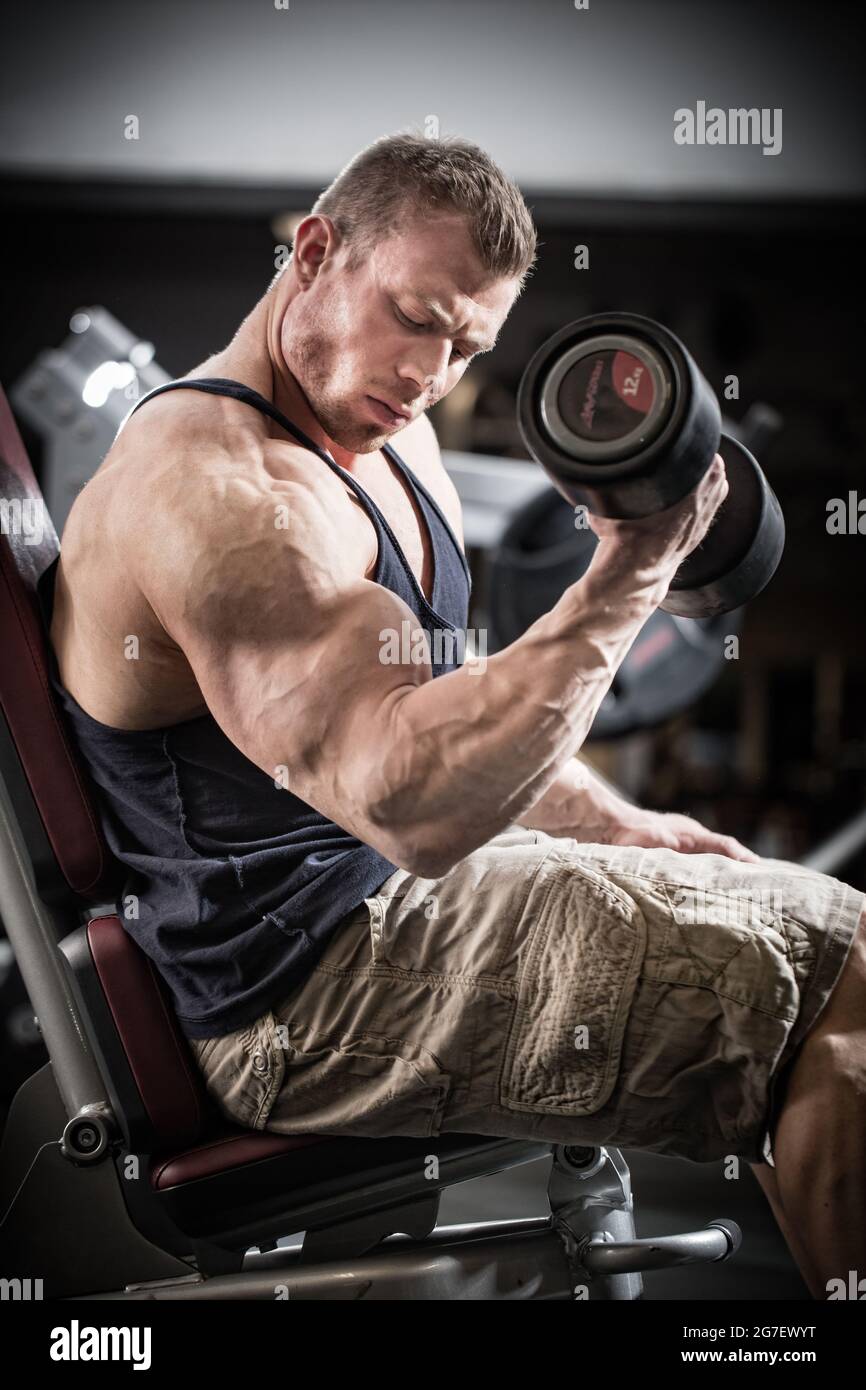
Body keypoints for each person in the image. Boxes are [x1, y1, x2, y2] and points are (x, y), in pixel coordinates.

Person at [48, 132, 865, 1299]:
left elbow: (451, 716)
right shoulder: (219, 494)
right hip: (296, 997)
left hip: (384, 910)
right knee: (824, 993)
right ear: (315, 251)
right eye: (416, 318)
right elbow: (413, 807)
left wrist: (617, 824)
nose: (432, 372)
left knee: (846, 924)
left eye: (466, 343)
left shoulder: (393, 433)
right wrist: (627, 576)